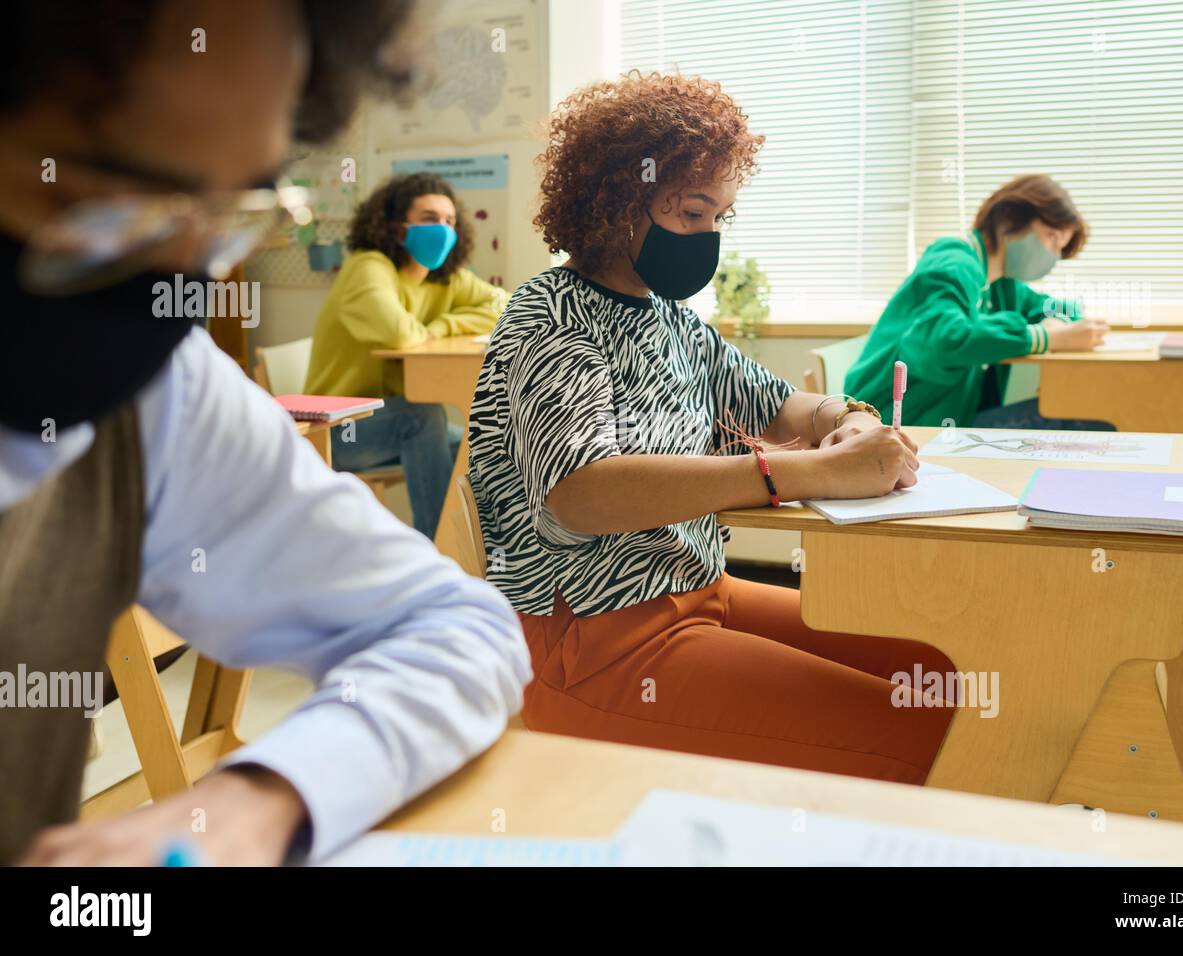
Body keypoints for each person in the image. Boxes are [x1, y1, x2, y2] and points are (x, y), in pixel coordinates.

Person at [0, 0, 529, 866]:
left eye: (225, 210)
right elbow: (401, 333)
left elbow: (452, 628)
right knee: (430, 426)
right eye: (98, 199)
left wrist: (263, 797)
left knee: (431, 424)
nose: (175, 288)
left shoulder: (152, 395)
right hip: (348, 428)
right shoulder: (367, 271)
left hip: (357, 430)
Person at [467, 71, 955, 786]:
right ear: (616, 202)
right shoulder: (549, 316)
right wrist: (802, 472)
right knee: (925, 731)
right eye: (692, 214)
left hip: (700, 592)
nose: (708, 237)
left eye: (719, 218)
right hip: (593, 640)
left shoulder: (673, 323)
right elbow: (580, 493)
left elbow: (781, 403)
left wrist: (846, 420)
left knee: (945, 670)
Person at [305, 172, 504, 537]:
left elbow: (504, 305)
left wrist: (442, 325)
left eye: (449, 221)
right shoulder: (368, 267)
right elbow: (397, 331)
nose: (442, 230)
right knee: (421, 414)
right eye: (429, 219)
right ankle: (439, 548)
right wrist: (437, 326)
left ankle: (482, 552)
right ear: (397, 227)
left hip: (388, 424)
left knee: (485, 441)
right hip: (334, 431)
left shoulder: (443, 278)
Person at [844, 174, 1114, 429]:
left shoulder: (1001, 286)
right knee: (1087, 420)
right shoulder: (953, 261)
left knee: (1086, 410)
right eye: (1053, 238)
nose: (1053, 256)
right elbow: (944, 338)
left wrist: (1056, 322)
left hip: (953, 421)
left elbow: (1059, 307)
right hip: (895, 425)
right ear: (1010, 217)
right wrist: (1044, 338)